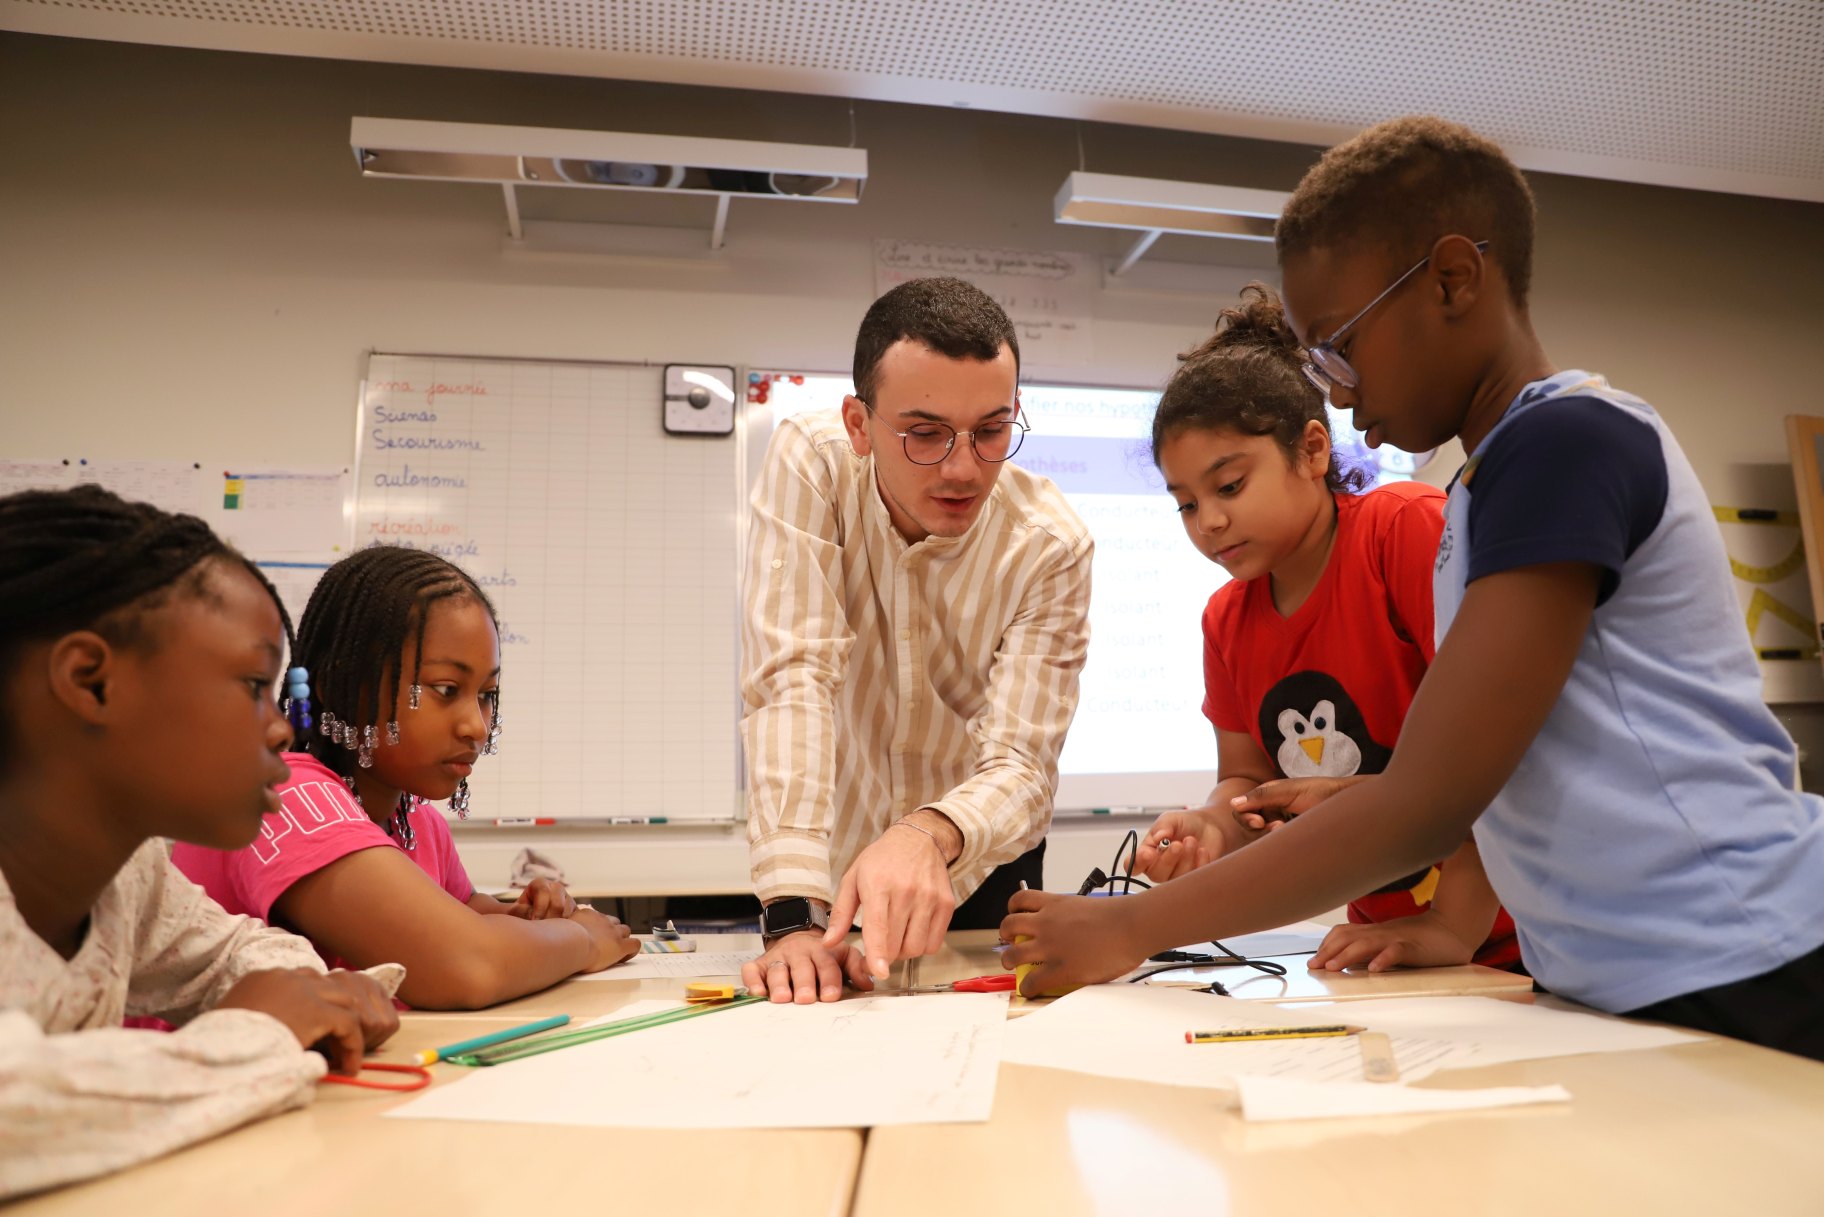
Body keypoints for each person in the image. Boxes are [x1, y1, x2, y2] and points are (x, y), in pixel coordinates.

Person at [1002, 116, 1824, 1059]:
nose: (1338, 389)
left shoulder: (1566, 444)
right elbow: (1476, 786)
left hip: (1747, 951)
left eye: (1340, 346)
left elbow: (1426, 802)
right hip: (1617, 972)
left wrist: (1128, 927)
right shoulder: (1481, 486)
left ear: (1451, 280)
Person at [0, 486, 401, 1200]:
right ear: (92, 681)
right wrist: (256, 1033)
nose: (281, 729)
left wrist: (304, 996)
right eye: (253, 684)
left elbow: (247, 953)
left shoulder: (128, 875)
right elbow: (16, 1111)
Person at [1134, 284, 1519, 972]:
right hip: (1389, 944)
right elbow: (1249, 786)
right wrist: (1210, 826)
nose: (1208, 522)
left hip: (1517, 935)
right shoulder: (1227, 619)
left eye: (1228, 487)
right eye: (1186, 503)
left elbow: (1496, 754)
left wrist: (1454, 923)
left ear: (1312, 451)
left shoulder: (1403, 532)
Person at [741, 276, 1093, 1003]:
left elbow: (1023, 764)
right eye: (925, 433)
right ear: (859, 425)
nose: (964, 468)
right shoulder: (813, 463)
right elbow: (792, 677)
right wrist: (791, 911)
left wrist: (927, 832)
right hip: (832, 864)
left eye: (991, 430)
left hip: (976, 858)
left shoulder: (1051, 545)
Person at [174, 546, 638, 1010]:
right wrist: (583, 940)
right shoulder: (289, 795)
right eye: (445, 690)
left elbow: (465, 916)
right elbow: (465, 965)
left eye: (486, 695)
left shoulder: (413, 817)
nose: (476, 726)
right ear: (345, 683)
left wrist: (530, 915)